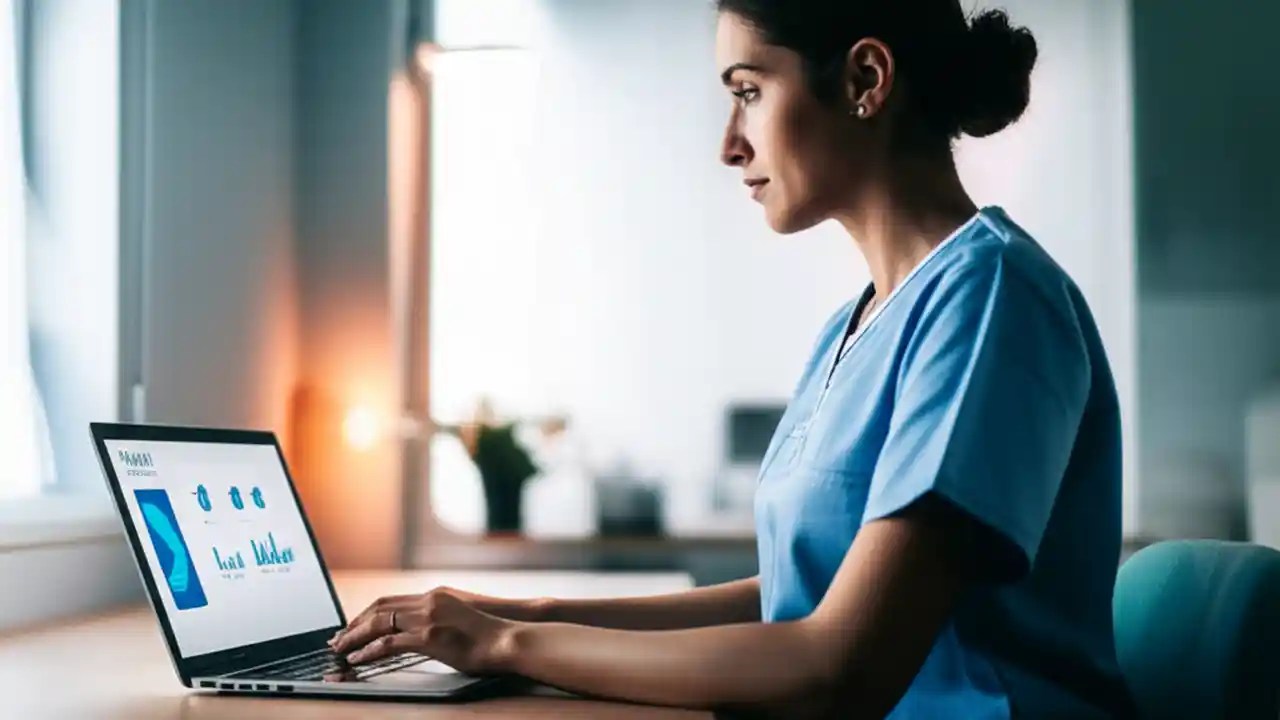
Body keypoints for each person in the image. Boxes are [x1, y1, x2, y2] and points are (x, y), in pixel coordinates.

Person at [331, 1, 1133, 717]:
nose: (728, 143)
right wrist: (519, 616)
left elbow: (837, 667)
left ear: (865, 77)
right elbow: (792, 605)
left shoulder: (991, 297)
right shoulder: (855, 326)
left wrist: (504, 649)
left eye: (747, 90)